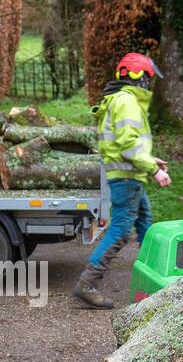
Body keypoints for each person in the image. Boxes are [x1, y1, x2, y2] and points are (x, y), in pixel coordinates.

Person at [72, 52, 171, 310]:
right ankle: (87, 283)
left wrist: (150, 160)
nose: (149, 85)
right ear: (140, 78)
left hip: (130, 176)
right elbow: (127, 145)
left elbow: (126, 143)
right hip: (127, 178)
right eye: (148, 79)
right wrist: (154, 170)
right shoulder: (127, 102)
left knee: (146, 226)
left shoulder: (118, 100)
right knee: (120, 231)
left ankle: (154, 281)